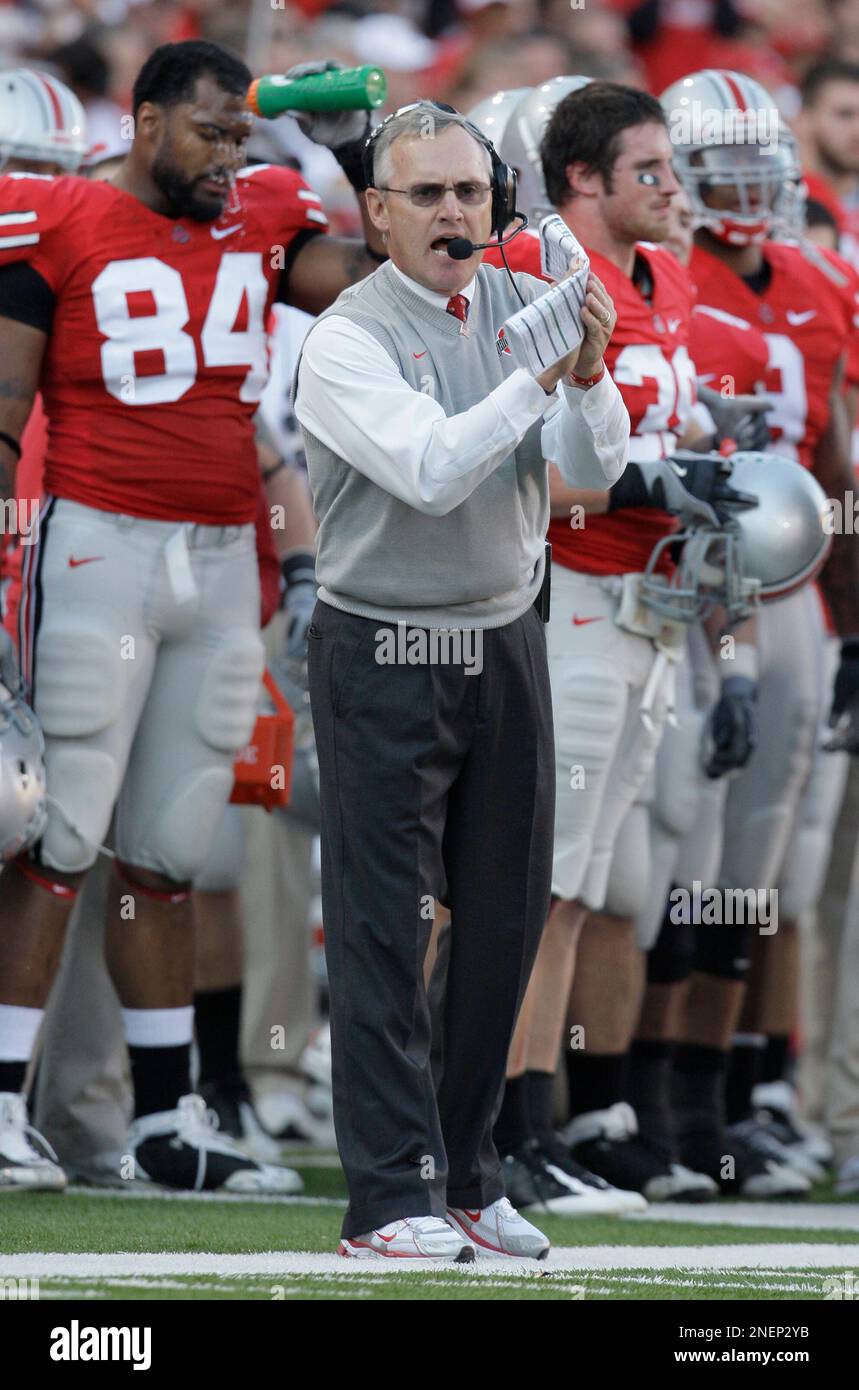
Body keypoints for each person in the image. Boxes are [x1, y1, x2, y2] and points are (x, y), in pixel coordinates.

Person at [0, 39, 385, 1194]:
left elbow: (384, 283)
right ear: (146, 120)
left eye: (241, 138)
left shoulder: (264, 214)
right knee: (62, 830)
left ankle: (169, 1121)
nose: (229, 158)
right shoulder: (58, 217)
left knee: (169, 846)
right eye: (209, 133)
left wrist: (359, 155)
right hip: (96, 540)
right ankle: (3, 1100)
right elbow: (6, 402)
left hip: (223, 558)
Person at [294, 99, 630, 1261]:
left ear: (496, 200)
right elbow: (431, 470)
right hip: (384, 639)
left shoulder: (518, 308)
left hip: (506, 633)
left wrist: (584, 373)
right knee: (388, 926)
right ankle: (389, 1195)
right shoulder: (342, 337)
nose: (452, 212)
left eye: (469, 191)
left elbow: (598, 463)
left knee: (502, 920)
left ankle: (469, 1172)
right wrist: (543, 368)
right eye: (426, 194)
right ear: (375, 211)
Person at [659, 67, 859, 1192]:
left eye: (754, 170)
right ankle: (629, 1096)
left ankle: (714, 1101)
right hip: (677, 582)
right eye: (715, 169)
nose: (739, 190)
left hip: (790, 597)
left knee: (757, 863)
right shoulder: (658, 280)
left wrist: (850, 622)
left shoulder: (823, 280)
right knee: (661, 855)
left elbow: (832, 467)